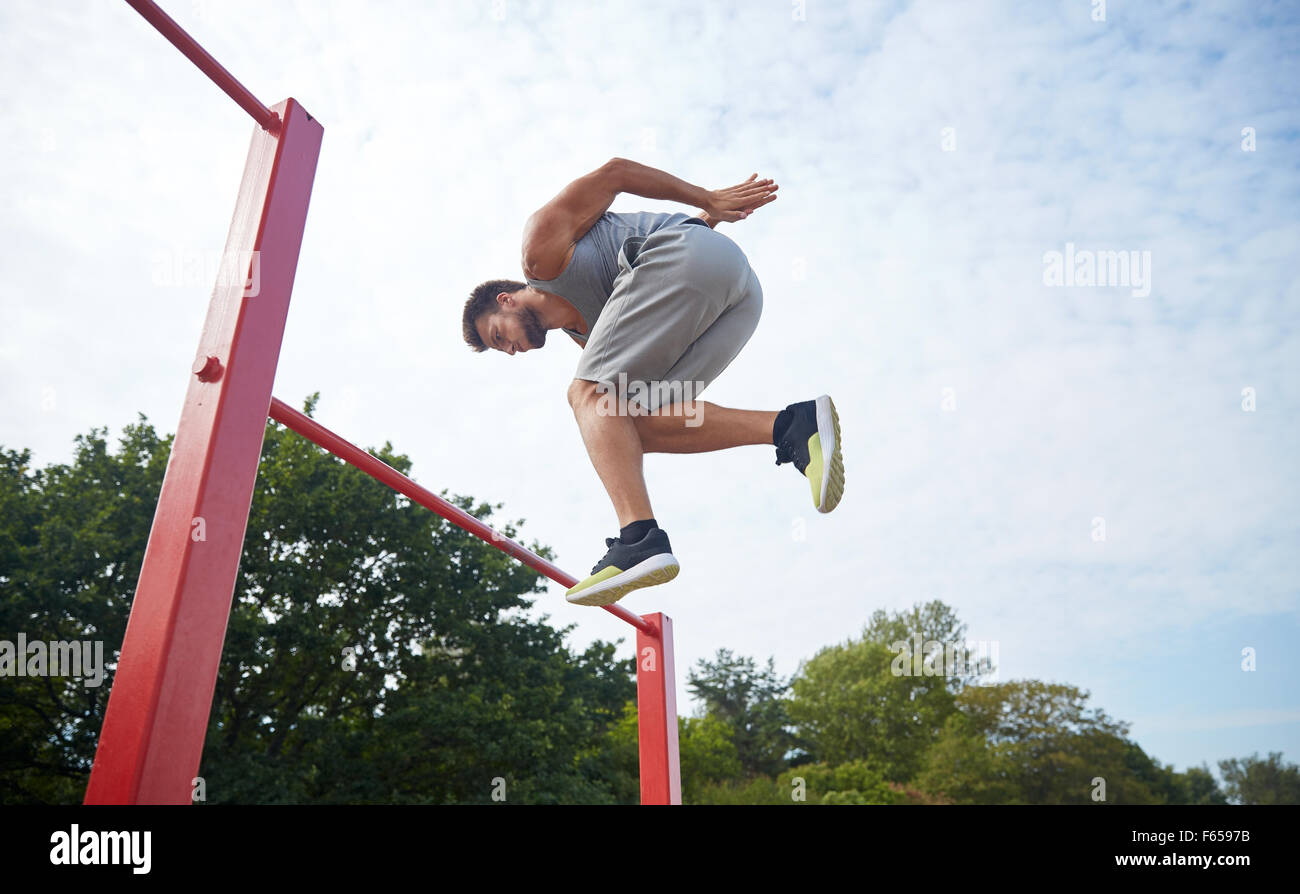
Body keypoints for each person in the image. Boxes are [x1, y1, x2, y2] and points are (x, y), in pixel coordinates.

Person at [462, 157, 844, 606]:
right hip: (736, 299)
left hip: (691, 254)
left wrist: (708, 202)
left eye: (498, 335)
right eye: (502, 350)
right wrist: (706, 223)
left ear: (505, 300)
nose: (510, 349)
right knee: (625, 422)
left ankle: (638, 536)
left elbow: (615, 173)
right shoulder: (589, 340)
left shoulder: (541, 253)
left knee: (587, 395)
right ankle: (791, 426)